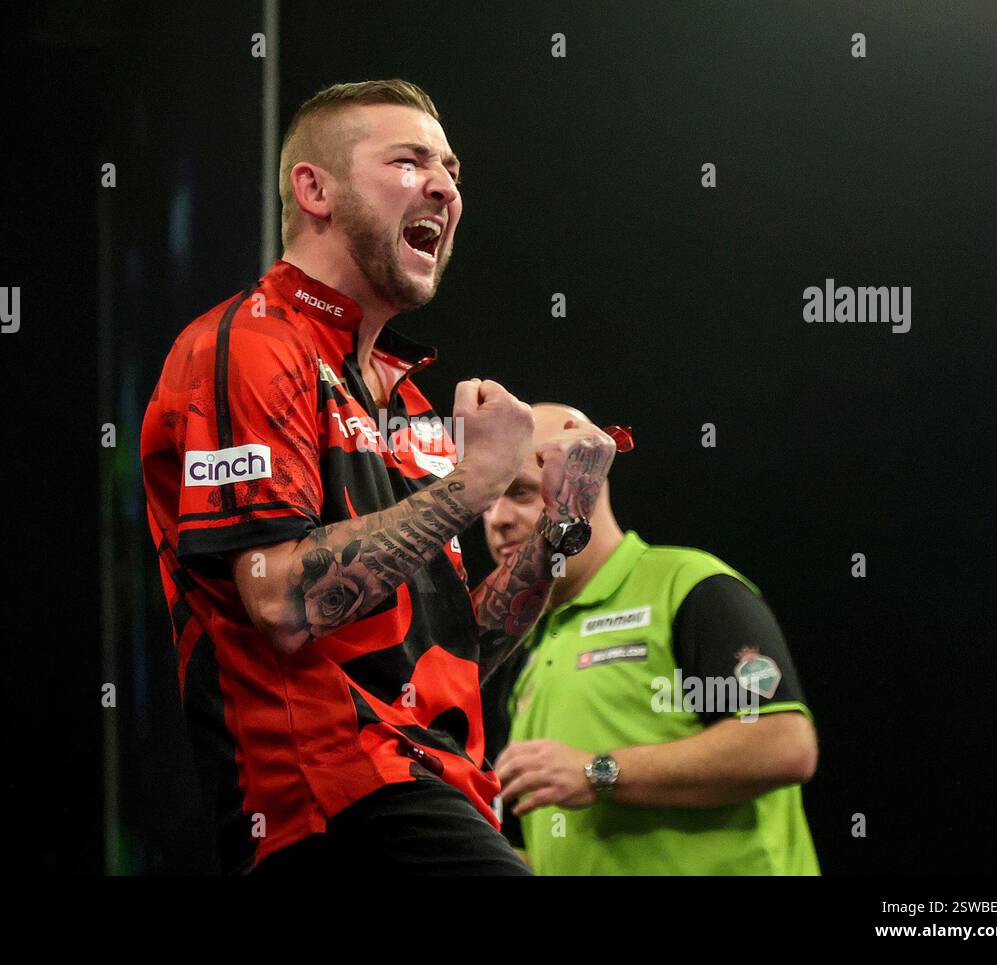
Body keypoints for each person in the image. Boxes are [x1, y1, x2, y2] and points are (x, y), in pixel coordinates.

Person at [139, 80, 616, 874]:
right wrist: (473, 482)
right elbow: (283, 599)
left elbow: (450, 649)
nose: (444, 185)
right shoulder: (248, 344)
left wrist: (562, 524)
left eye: (452, 169)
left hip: (435, 786)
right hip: (329, 801)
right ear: (313, 189)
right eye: (408, 160)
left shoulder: (408, 401)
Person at [487, 403, 821, 875]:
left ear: (589, 482)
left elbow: (783, 744)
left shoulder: (688, 585)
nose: (496, 517)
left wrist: (597, 771)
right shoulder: (521, 643)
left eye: (521, 492)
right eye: (489, 498)